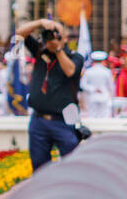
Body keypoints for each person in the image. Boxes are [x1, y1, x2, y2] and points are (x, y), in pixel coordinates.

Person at [14, 16, 85, 172]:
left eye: (56, 33)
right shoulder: (40, 51)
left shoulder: (76, 57)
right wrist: (40, 22)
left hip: (63, 121)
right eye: (49, 33)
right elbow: (19, 33)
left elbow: (70, 71)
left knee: (72, 164)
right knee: (39, 166)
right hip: (38, 120)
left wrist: (58, 49)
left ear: (65, 37)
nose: (52, 36)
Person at [80, 50, 115, 118]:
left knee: (92, 116)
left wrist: (93, 89)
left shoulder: (88, 71)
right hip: (104, 96)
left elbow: (82, 84)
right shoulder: (107, 71)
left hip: (92, 97)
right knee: (104, 117)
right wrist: (112, 95)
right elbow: (111, 86)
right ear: (103, 60)